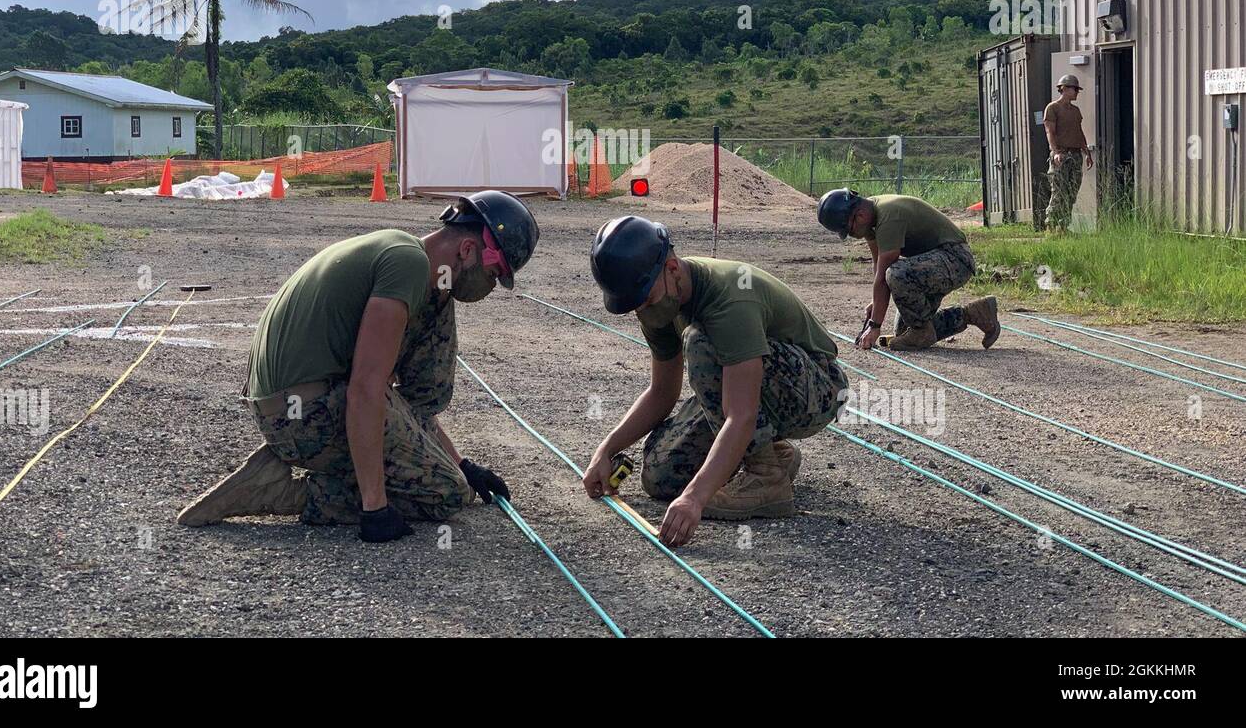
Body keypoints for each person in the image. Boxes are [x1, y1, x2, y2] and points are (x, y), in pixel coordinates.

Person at [177, 190, 539, 544]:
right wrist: (375, 508)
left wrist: (462, 463)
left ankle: (293, 461)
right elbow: (366, 388)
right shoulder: (409, 267)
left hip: (291, 406)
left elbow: (402, 402)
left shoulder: (404, 253)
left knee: (452, 474)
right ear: (467, 249)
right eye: (494, 274)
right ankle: (282, 492)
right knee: (447, 493)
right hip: (304, 418)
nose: (493, 286)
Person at [583, 215, 847, 548]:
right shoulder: (657, 302)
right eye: (635, 305)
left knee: (700, 341)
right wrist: (607, 449)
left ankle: (767, 476)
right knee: (662, 475)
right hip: (751, 385)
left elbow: (742, 414)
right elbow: (662, 393)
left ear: (673, 268)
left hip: (818, 389)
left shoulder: (730, 296)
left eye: (646, 300)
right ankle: (774, 451)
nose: (643, 311)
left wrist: (694, 499)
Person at [817, 188, 999, 352]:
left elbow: (885, 273)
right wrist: (876, 302)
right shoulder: (870, 213)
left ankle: (922, 331)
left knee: (896, 275)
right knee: (903, 332)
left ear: (859, 216)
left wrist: (874, 325)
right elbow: (878, 263)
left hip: (955, 260)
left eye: (849, 230)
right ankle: (975, 313)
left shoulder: (888, 216)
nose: (851, 235)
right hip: (935, 262)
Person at [1044, 73, 1093, 231]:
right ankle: (1051, 225)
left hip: (1075, 154)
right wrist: (1056, 151)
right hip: (1061, 155)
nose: (1077, 93)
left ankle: (1063, 226)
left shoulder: (1075, 111)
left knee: (1071, 192)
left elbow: (1078, 131)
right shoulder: (1052, 108)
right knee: (1059, 191)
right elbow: (1050, 132)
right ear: (1063, 89)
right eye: (1074, 89)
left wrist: (1086, 152)